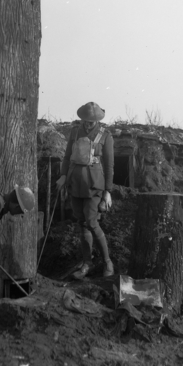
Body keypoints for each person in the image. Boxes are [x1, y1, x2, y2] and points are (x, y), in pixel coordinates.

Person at [56, 102, 114, 278]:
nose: (88, 124)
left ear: (97, 120)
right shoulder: (74, 132)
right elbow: (67, 157)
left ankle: (107, 263)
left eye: (91, 121)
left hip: (94, 185)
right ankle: (87, 263)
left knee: (91, 221)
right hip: (75, 184)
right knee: (82, 223)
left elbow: (109, 165)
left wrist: (108, 191)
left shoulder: (106, 136)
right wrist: (63, 175)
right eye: (86, 121)